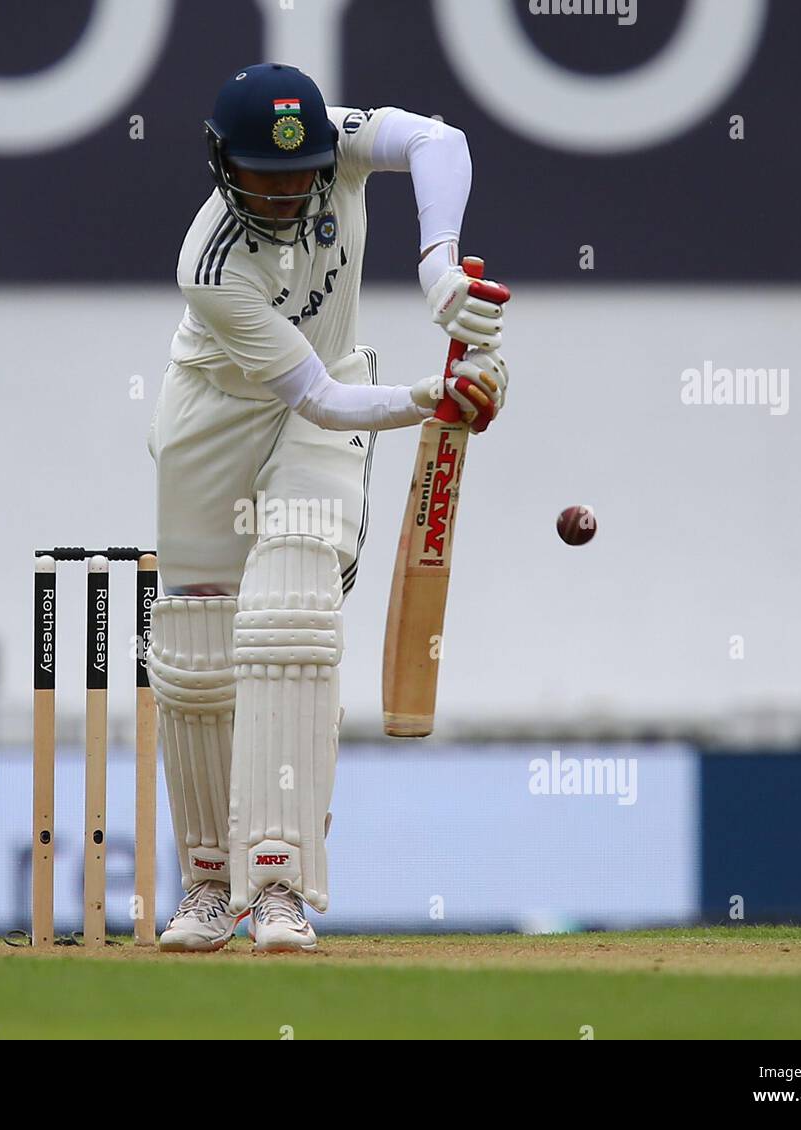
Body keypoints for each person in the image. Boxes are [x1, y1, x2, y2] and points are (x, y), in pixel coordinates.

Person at [146, 63, 508, 952]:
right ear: (221, 164)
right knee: (197, 649)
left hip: (331, 394)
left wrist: (436, 263)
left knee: (290, 615)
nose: (281, 192)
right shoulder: (211, 265)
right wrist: (430, 399)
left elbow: (439, 140)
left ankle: (277, 884)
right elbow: (313, 396)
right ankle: (205, 882)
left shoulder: (335, 146)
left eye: (298, 172)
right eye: (260, 175)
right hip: (219, 414)